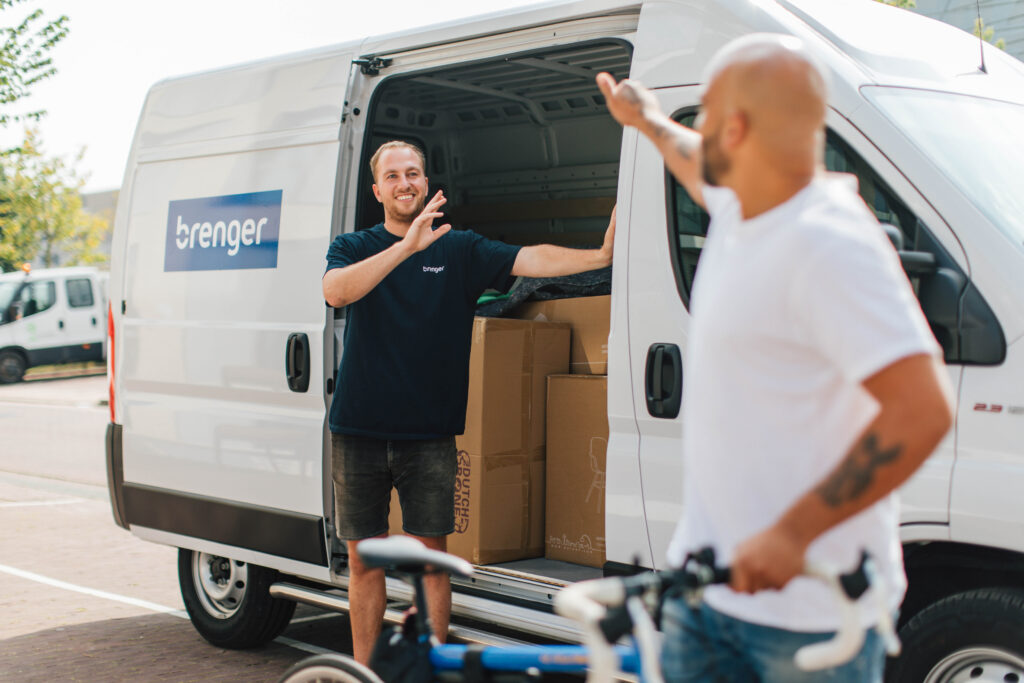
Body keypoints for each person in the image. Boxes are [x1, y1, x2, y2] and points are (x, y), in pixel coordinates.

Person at [597, 34, 955, 682]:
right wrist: (647, 120)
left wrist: (794, 532)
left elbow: (922, 408)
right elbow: (689, 161)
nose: (696, 129)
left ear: (733, 128)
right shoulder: (745, 207)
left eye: (704, 114)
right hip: (704, 589)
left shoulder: (830, 243)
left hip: (811, 615)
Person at [322, 140, 615, 664]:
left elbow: (531, 258)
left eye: (412, 173)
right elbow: (337, 292)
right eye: (392, 176)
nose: (404, 183)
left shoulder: (460, 249)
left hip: (430, 433)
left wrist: (599, 256)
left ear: (426, 180)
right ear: (377, 190)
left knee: (433, 558)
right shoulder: (354, 244)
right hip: (358, 430)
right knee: (365, 561)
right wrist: (406, 248)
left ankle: (430, 666)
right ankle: (362, 674)